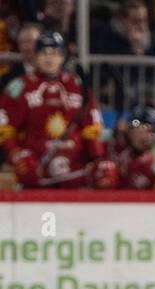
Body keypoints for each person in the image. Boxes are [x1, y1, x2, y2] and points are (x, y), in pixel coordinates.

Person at [0, 31, 116, 189]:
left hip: (76, 173)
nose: (49, 58)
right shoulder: (19, 87)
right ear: (35, 55)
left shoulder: (77, 86)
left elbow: (92, 128)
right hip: (36, 174)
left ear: (63, 57)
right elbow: (5, 128)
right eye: (44, 53)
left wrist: (97, 159)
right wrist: (17, 156)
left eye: (55, 53)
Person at [109, 105, 155, 189]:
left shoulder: (149, 161)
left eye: (152, 131)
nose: (147, 137)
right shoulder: (112, 147)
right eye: (142, 130)